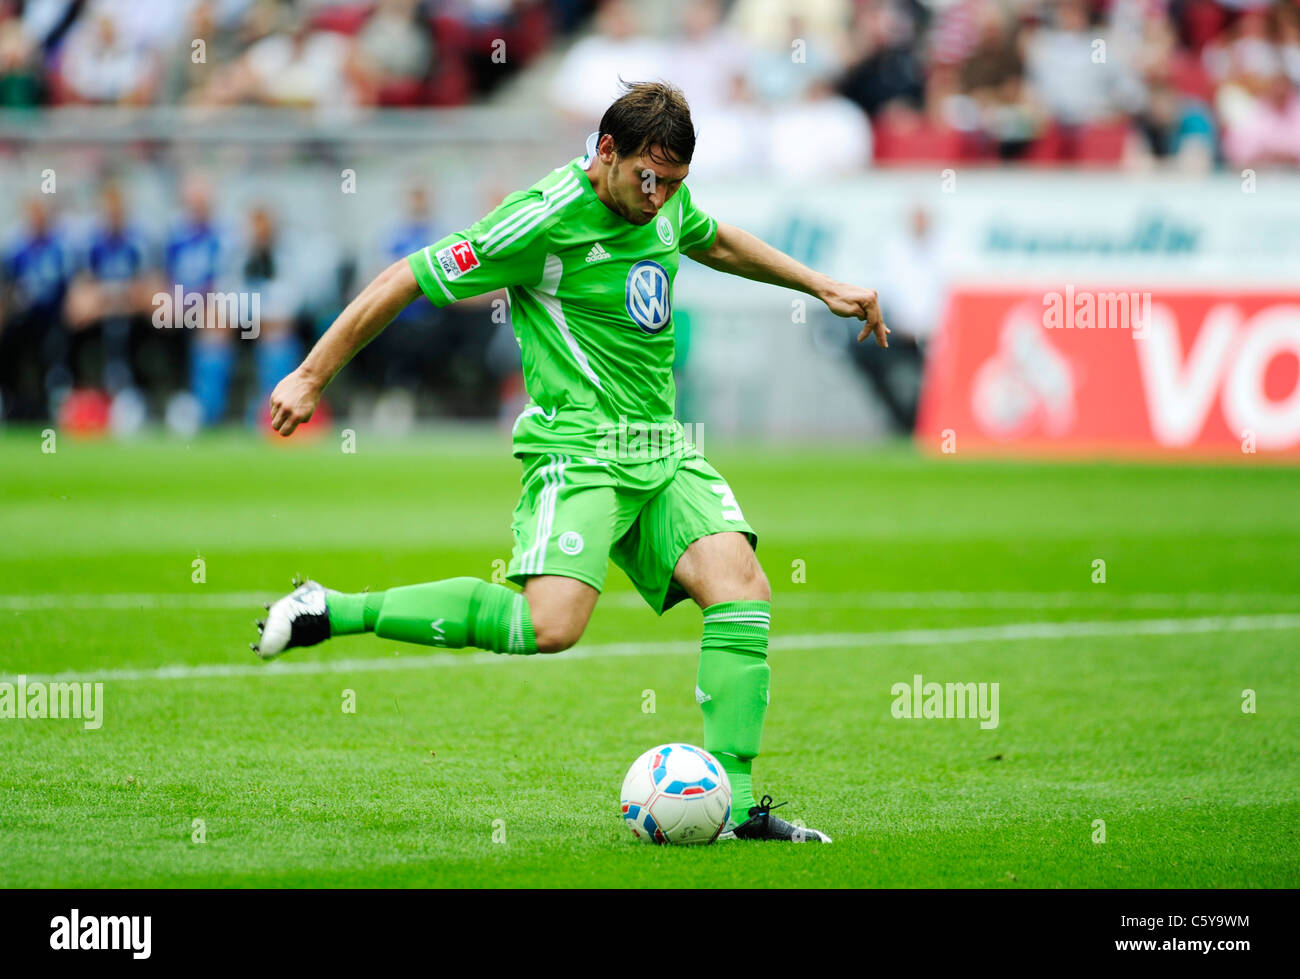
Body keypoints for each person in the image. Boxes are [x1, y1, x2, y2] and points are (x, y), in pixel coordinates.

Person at [253, 82, 888, 844]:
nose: (659, 200)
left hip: (660, 449)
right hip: (579, 451)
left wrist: (820, 284)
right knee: (551, 625)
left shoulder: (666, 200)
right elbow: (406, 278)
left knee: (742, 586)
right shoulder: (541, 219)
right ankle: (334, 608)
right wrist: (312, 375)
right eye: (648, 179)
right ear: (606, 152)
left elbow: (711, 237)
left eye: (674, 184)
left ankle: (739, 806)